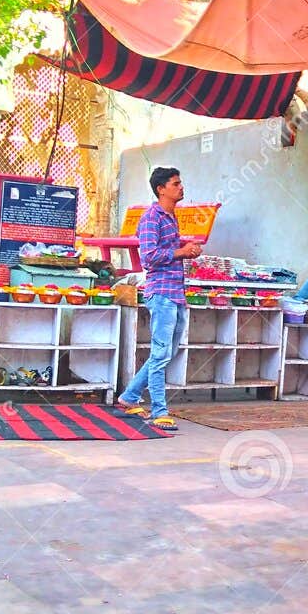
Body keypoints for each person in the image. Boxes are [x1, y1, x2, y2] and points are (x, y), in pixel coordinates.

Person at [117, 167, 201, 431]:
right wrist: (181, 251)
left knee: (167, 352)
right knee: (162, 353)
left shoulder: (170, 217)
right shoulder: (151, 218)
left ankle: (130, 395)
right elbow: (149, 257)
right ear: (161, 189)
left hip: (175, 292)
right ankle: (159, 410)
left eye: (180, 182)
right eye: (176, 183)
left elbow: (167, 251)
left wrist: (186, 250)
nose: (181, 187)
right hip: (162, 292)